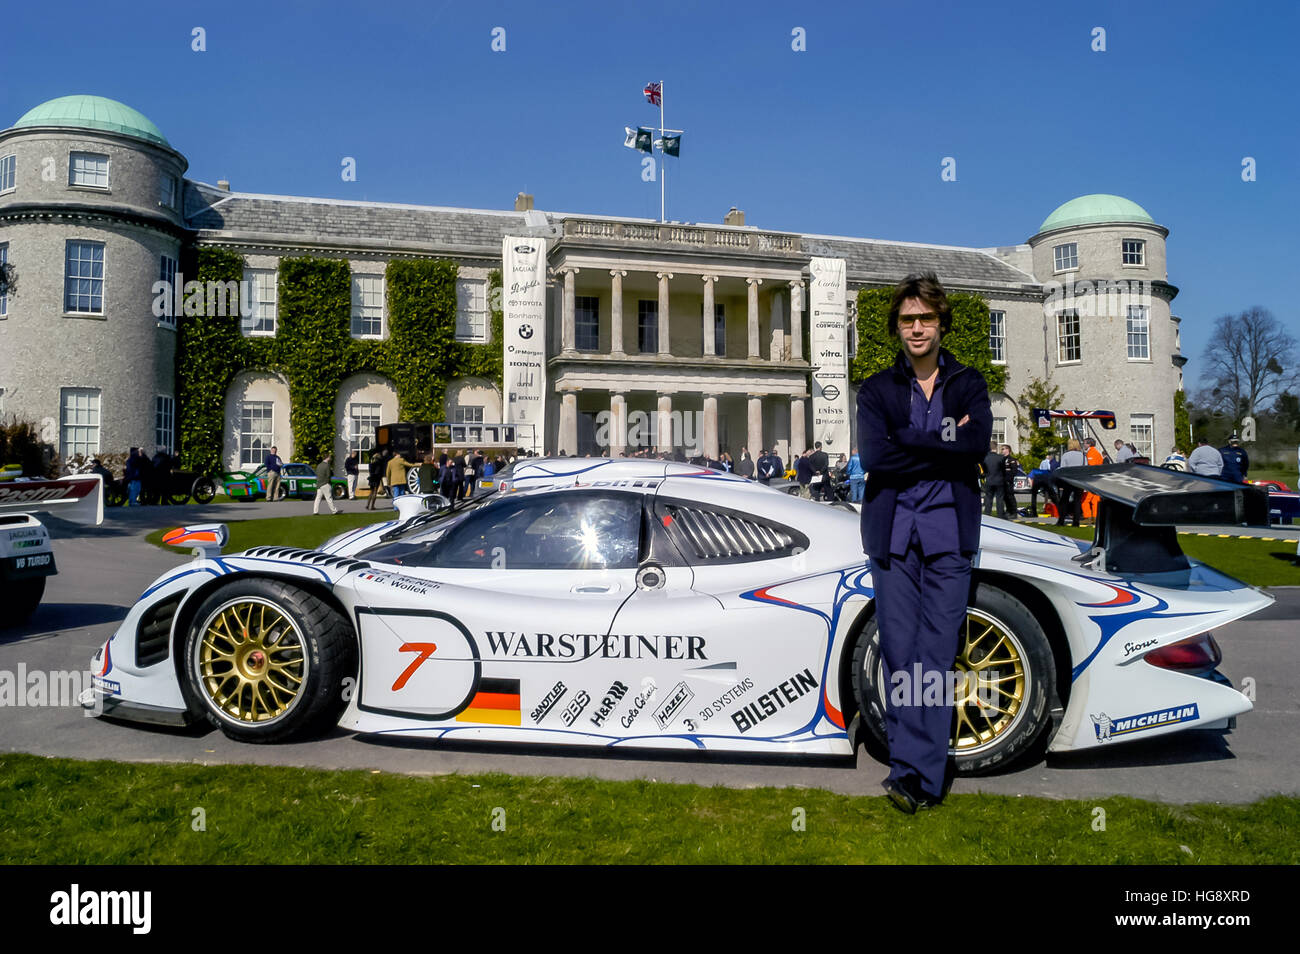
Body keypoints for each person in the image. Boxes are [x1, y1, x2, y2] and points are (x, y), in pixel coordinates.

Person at [857, 271, 992, 813]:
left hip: (948, 536)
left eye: (926, 318)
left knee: (934, 659)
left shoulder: (969, 383)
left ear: (941, 324)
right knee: (900, 655)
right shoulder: (877, 388)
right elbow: (876, 458)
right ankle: (910, 768)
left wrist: (910, 438)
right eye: (908, 319)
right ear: (897, 326)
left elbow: (977, 442)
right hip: (893, 536)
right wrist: (943, 441)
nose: (917, 328)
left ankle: (919, 778)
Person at [1054, 439, 1086, 526]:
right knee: (1077, 501)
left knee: (1064, 500)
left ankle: (1061, 520)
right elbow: (1085, 467)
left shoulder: (1066, 455)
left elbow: (1063, 468)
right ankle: (1076, 522)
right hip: (1079, 480)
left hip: (1068, 480)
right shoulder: (1082, 456)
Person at [981, 442, 1005, 518]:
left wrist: (984, 475)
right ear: (996, 447)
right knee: (1000, 498)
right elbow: (1003, 470)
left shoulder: (985, 458)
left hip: (988, 480)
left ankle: (988, 514)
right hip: (999, 480)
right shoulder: (1001, 457)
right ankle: (1000, 515)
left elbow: (983, 470)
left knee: (988, 498)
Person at [1000, 445, 1021, 519]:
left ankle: (1014, 512)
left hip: (1009, 481)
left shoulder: (1011, 459)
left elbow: (1014, 471)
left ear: (1008, 450)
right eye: (1001, 449)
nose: (1002, 450)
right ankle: (1008, 511)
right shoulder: (1002, 459)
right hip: (1002, 481)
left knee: (1010, 497)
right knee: (1005, 497)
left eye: (1003, 449)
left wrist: (1008, 479)